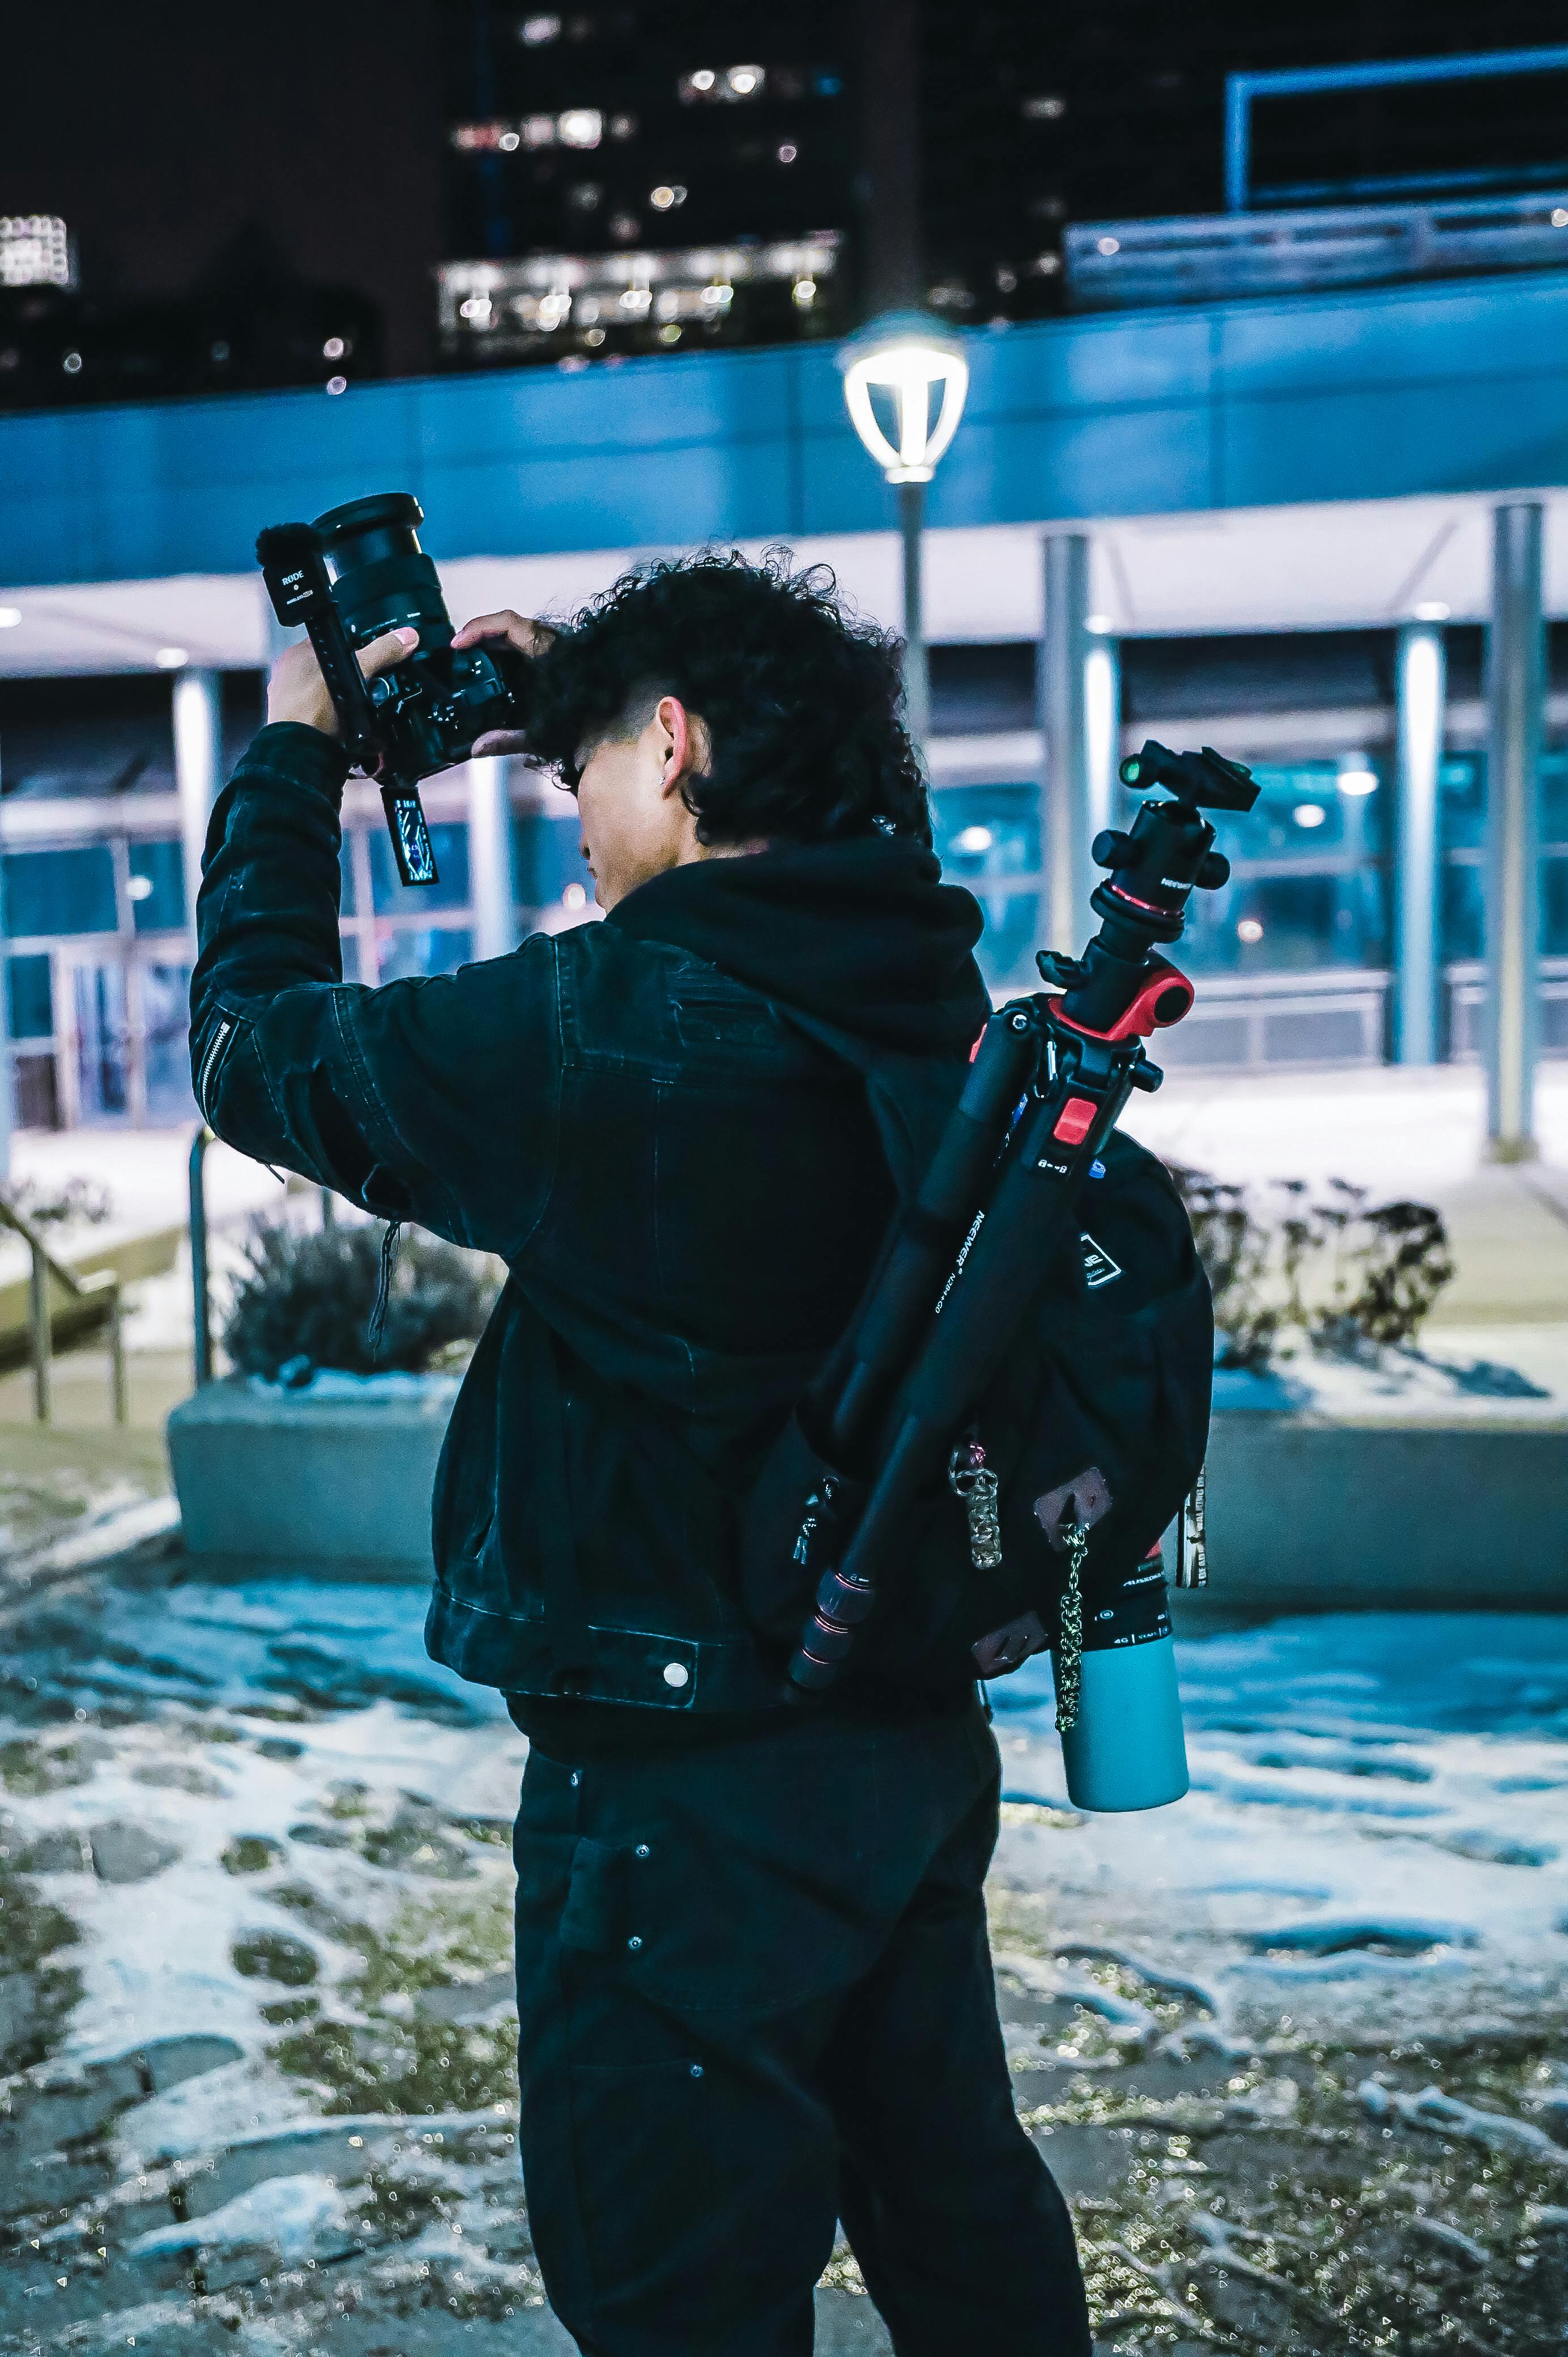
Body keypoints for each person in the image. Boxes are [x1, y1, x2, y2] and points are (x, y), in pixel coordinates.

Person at [190, 551, 1096, 2355]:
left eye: (593, 773)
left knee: (674, 2288)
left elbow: (252, 1049)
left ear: (671, 747)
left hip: (683, 1791)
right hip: (899, 1744)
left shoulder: (609, 1027)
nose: (582, 825)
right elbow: (837, 827)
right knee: (959, 2225)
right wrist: (579, 700)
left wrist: (296, 749)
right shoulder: (925, 987)